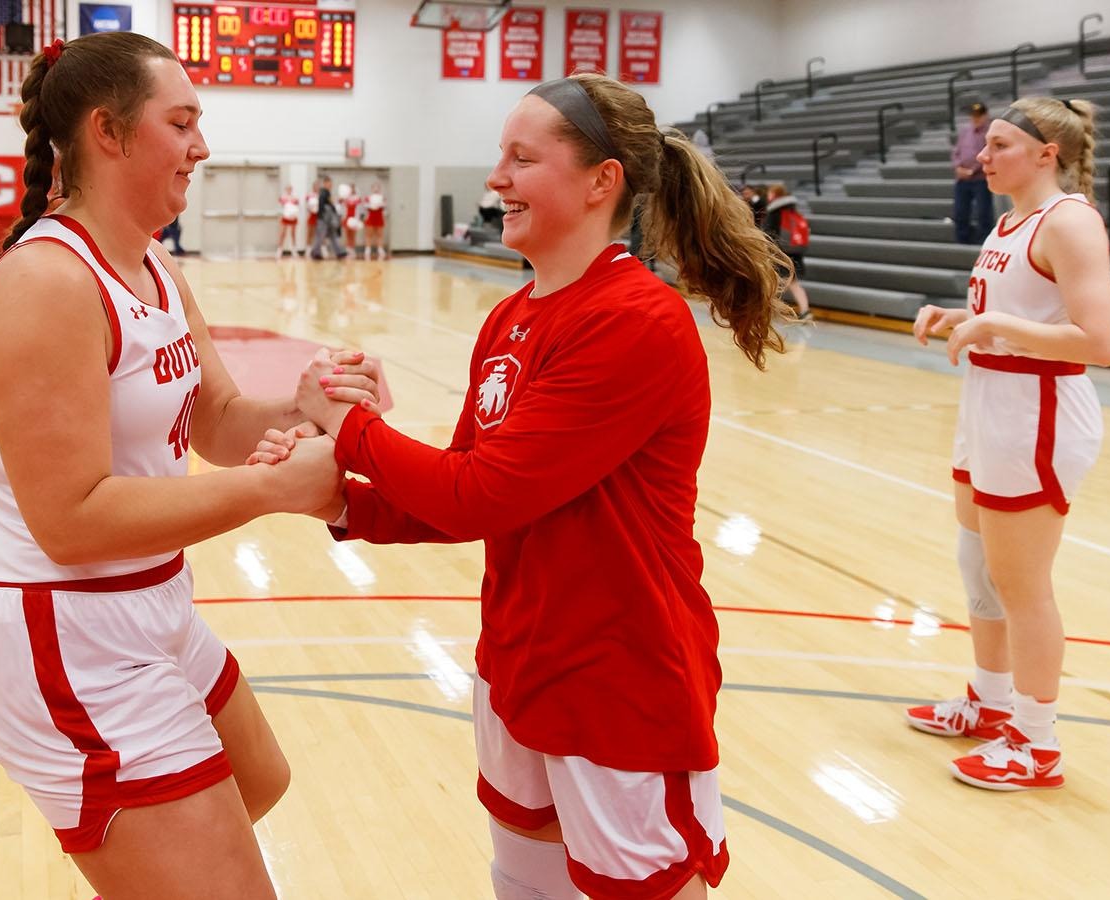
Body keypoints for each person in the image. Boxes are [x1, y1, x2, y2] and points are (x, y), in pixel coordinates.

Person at [252, 73, 791, 899]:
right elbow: (461, 492)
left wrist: (347, 428)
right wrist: (334, 497)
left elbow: (483, 493)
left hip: (619, 684)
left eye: (520, 158)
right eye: (497, 157)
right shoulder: (512, 317)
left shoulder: (635, 320)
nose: (495, 178)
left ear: (601, 180)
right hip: (518, 662)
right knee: (523, 884)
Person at [0, 32, 380, 899]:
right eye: (180, 122)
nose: (202, 145)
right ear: (108, 133)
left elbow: (216, 421)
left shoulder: (153, 266)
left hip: (148, 603)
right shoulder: (48, 285)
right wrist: (269, 490)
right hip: (62, 630)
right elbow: (69, 521)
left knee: (260, 780)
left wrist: (307, 404)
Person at [907, 97, 1110, 791]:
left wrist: (995, 322)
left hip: (1039, 411)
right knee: (979, 569)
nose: (981, 157)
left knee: (1022, 585)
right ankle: (990, 700)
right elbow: (1024, 315)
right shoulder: (1008, 221)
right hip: (991, 403)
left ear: (1045, 153)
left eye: (997, 145)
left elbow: (1101, 342)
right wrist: (962, 317)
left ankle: (1037, 741)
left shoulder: (1072, 222)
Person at [762, 183, 812, 320]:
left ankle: (764, 310)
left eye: (770, 193)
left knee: (769, 283)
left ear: (775, 195)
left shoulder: (774, 214)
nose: (768, 196)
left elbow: (767, 235)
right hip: (796, 254)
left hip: (780, 255)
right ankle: (805, 311)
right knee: (793, 284)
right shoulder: (794, 212)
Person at [952, 102, 995, 244]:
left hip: (981, 178)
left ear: (985, 116)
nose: (976, 118)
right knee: (960, 212)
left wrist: (972, 170)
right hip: (962, 179)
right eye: (973, 116)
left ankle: (984, 241)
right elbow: (957, 152)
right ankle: (962, 239)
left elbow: (989, 153)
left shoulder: (990, 133)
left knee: (983, 212)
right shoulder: (965, 131)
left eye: (979, 115)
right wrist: (958, 167)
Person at [308, 174, 346, 259]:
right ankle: (315, 252)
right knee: (320, 236)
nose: (331, 185)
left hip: (329, 219)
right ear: (325, 183)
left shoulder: (326, 193)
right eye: (329, 183)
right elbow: (327, 205)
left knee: (333, 235)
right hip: (324, 219)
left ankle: (339, 251)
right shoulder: (324, 192)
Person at [362, 182, 388, 260]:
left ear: (379, 188)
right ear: (372, 188)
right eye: (374, 187)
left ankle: (380, 249)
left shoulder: (382, 197)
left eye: (377, 187)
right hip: (370, 216)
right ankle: (368, 249)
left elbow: (385, 207)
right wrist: (371, 206)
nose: (376, 189)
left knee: (380, 234)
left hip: (379, 216)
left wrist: (380, 205)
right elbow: (365, 206)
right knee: (369, 234)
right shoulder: (368, 197)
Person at [278, 184, 301, 258]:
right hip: (285, 217)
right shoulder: (283, 197)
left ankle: (294, 250)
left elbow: (297, 206)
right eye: (288, 189)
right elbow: (281, 205)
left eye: (290, 189)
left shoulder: (295, 197)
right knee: (282, 233)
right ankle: (279, 250)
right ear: (286, 189)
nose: (289, 190)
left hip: (293, 217)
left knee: (293, 233)